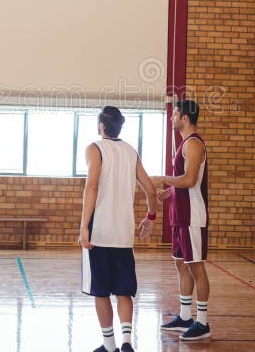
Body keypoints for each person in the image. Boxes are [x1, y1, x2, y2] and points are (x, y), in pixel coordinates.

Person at [79, 106, 158, 352]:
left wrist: (83, 226)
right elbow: (151, 189)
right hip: (124, 234)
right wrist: (151, 217)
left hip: (99, 232)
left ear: (101, 126)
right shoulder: (130, 151)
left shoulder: (94, 148)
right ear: (119, 127)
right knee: (124, 291)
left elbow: (91, 187)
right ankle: (126, 343)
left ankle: (109, 345)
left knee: (100, 291)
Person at [151, 99, 211, 341]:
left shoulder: (194, 144)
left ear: (184, 117)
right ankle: (185, 317)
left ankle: (203, 323)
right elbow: (182, 182)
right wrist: (168, 193)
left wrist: (165, 178)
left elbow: (189, 180)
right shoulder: (184, 144)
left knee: (196, 266)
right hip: (179, 214)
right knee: (181, 264)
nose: (171, 118)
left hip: (192, 215)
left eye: (174, 114)